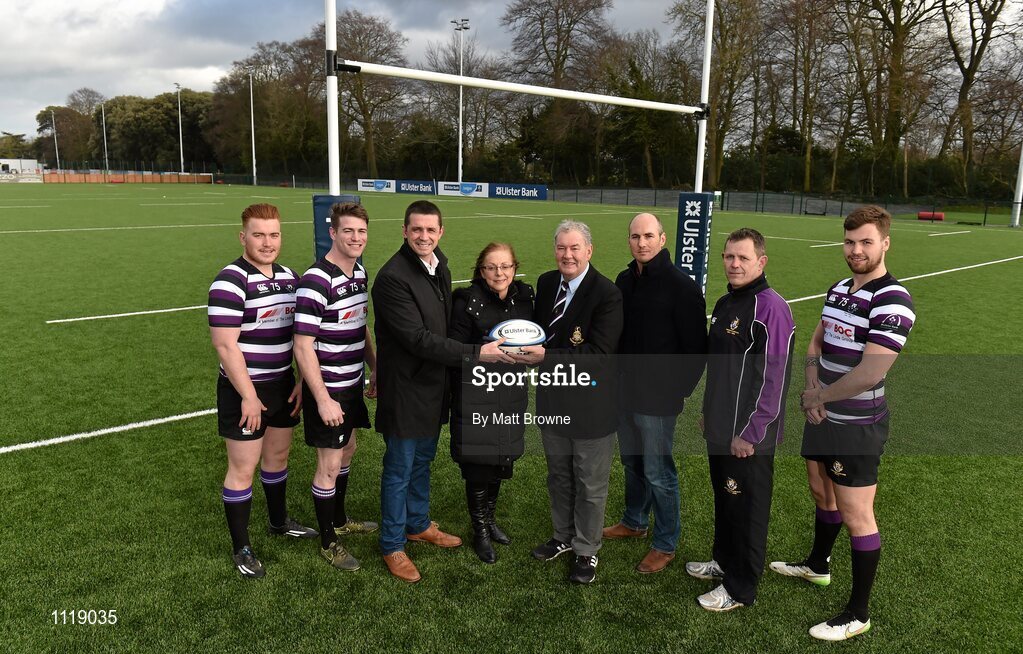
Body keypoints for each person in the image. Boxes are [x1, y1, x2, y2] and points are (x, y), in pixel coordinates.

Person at [771, 205, 915, 641]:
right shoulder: (838, 289)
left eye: (866, 242)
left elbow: (872, 371)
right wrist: (813, 380)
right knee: (821, 491)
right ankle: (817, 566)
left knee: (857, 514)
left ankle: (858, 612)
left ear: (885, 243)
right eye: (850, 242)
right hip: (823, 414)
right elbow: (818, 338)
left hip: (856, 424)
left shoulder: (894, 299)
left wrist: (820, 396)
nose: (856, 250)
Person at [372, 200, 514, 583]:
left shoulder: (439, 265)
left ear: (440, 232)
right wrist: (475, 352)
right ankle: (391, 544)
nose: (423, 236)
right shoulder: (392, 277)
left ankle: (417, 524)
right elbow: (417, 339)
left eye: (430, 230)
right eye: (416, 229)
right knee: (400, 469)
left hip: (435, 389)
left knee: (421, 463)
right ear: (404, 231)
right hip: (406, 390)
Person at [685, 228, 795, 612]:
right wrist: (708, 414)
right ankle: (723, 562)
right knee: (725, 499)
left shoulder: (771, 308)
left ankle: (741, 587)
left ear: (761, 262)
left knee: (748, 510)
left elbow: (773, 379)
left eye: (742, 258)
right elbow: (721, 371)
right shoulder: (725, 302)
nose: (733, 264)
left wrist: (751, 433)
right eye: (729, 257)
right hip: (719, 428)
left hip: (749, 437)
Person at [207, 203, 317, 579]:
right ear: (243, 237)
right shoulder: (230, 280)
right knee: (243, 468)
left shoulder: (291, 277)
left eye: (274, 235)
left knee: (279, 456)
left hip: (283, 383)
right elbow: (225, 345)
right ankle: (242, 547)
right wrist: (249, 396)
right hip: (244, 391)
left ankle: (279, 521)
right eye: (258, 235)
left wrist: (303, 378)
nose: (267, 243)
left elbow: (301, 337)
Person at [514, 220, 623, 585]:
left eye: (575, 248)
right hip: (552, 401)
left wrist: (544, 357)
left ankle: (586, 550)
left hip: (592, 407)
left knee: (590, 484)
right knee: (559, 476)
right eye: (562, 247)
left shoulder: (607, 293)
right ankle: (563, 536)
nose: (568, 254)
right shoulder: (546, 283)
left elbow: (599, 354)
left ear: (589, 251)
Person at [602, 213, 708, 574]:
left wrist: (675, 392)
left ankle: (665, 542)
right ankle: (634, 521)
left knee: (659, 470)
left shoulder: (682, 287)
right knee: (632, 462)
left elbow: (696, 349)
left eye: (648, 236)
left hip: (657, 400)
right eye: (635, 236)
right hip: (623, 393)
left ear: (663, 239)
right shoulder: (624, 280)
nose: (641, 242)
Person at [294, 202, 379, 572]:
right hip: (327, 390)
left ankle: (341, 520)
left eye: (361, 231)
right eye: (348, 231)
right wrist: (323, 398)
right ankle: (329, 541)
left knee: (348, 451)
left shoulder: (359, 272)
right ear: (332, 232)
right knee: (328, 465)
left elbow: (360, 326)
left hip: (352, 385)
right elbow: (303, 344)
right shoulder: (316, 279)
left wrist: (375, 369)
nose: (356, 238)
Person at [448, 243, 534, 564]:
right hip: (477, 393)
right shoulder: (466, 301)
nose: (499, 273)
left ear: (515, 267)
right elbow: (454, 348)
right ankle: (480, 530)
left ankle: (490, 519)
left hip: (510, 392)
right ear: (480, 270)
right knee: (478, 464)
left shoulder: (525, 297)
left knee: (500, 458)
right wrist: (482, 352)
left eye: (506, 266)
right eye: (491, 267)